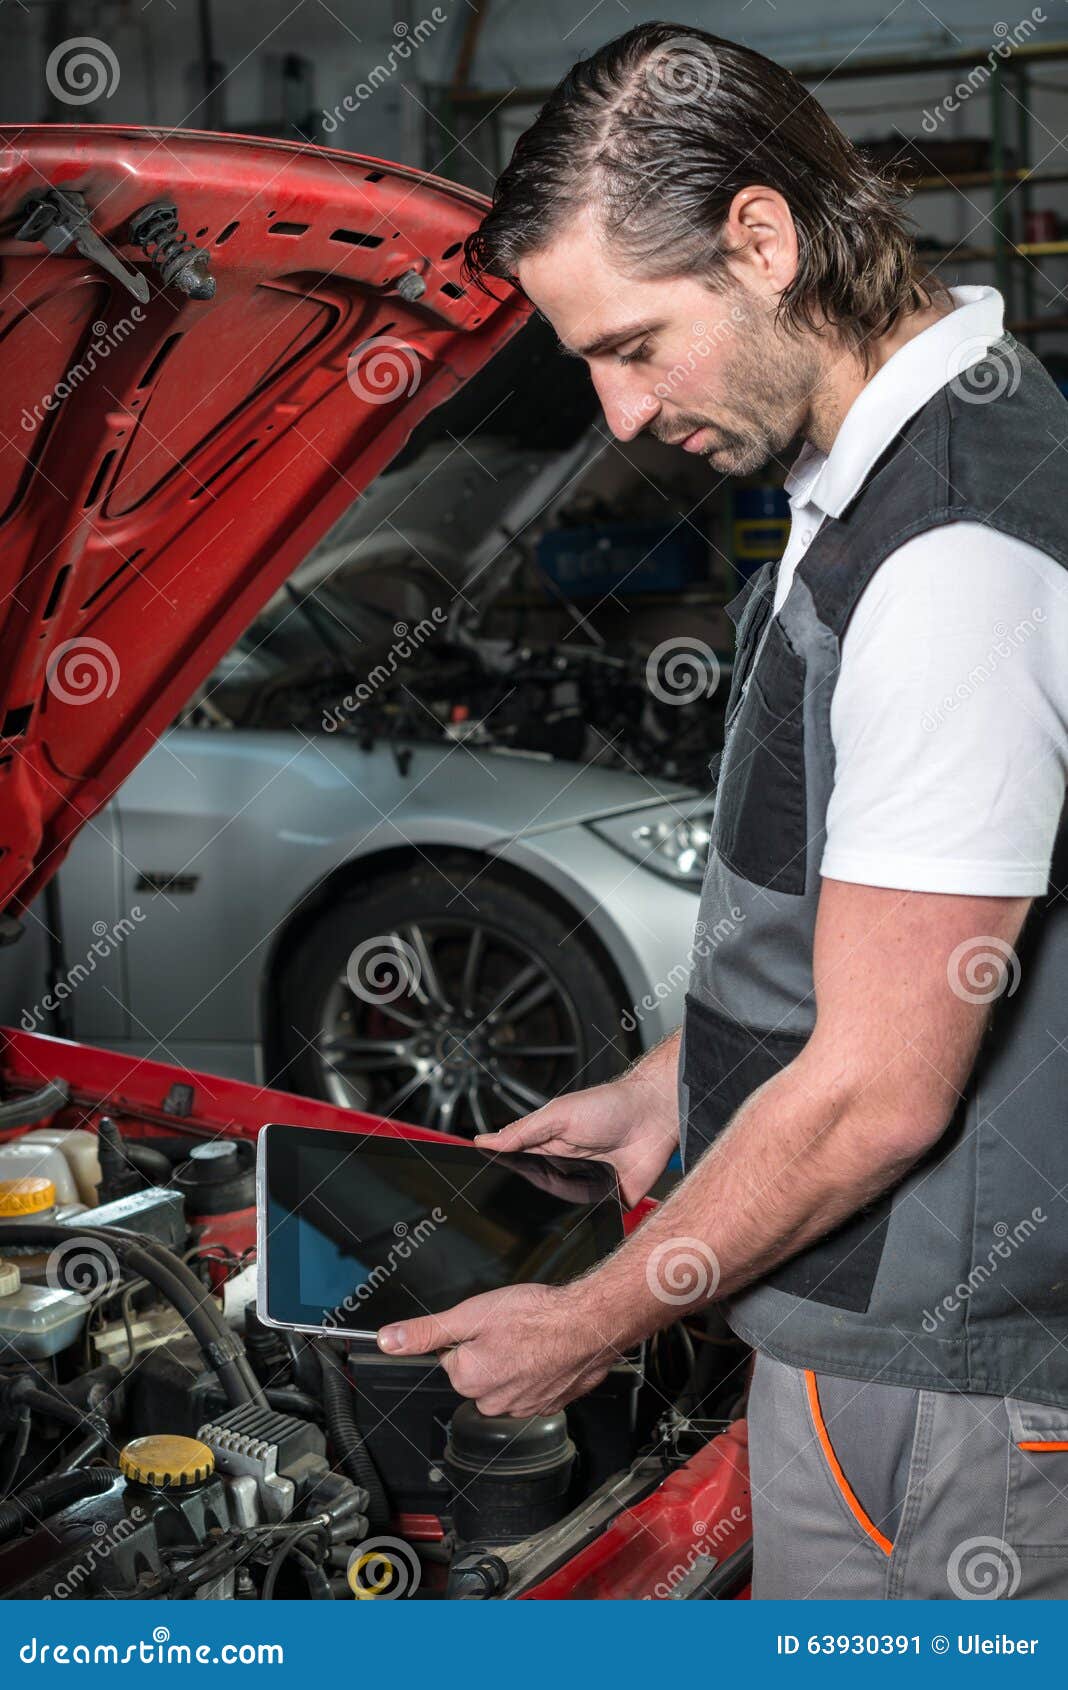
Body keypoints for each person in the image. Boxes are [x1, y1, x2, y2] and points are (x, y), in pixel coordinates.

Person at [378, 24, 1068, 1599]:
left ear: (762, 240)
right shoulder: (897, 484)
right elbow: (890, 945)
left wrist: (592, 1317)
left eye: (635, 345)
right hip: (887, 1344)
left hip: (940, 1389)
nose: (620, 417)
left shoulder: (953, 560)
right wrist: (671, 1091)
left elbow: (884, 1092)